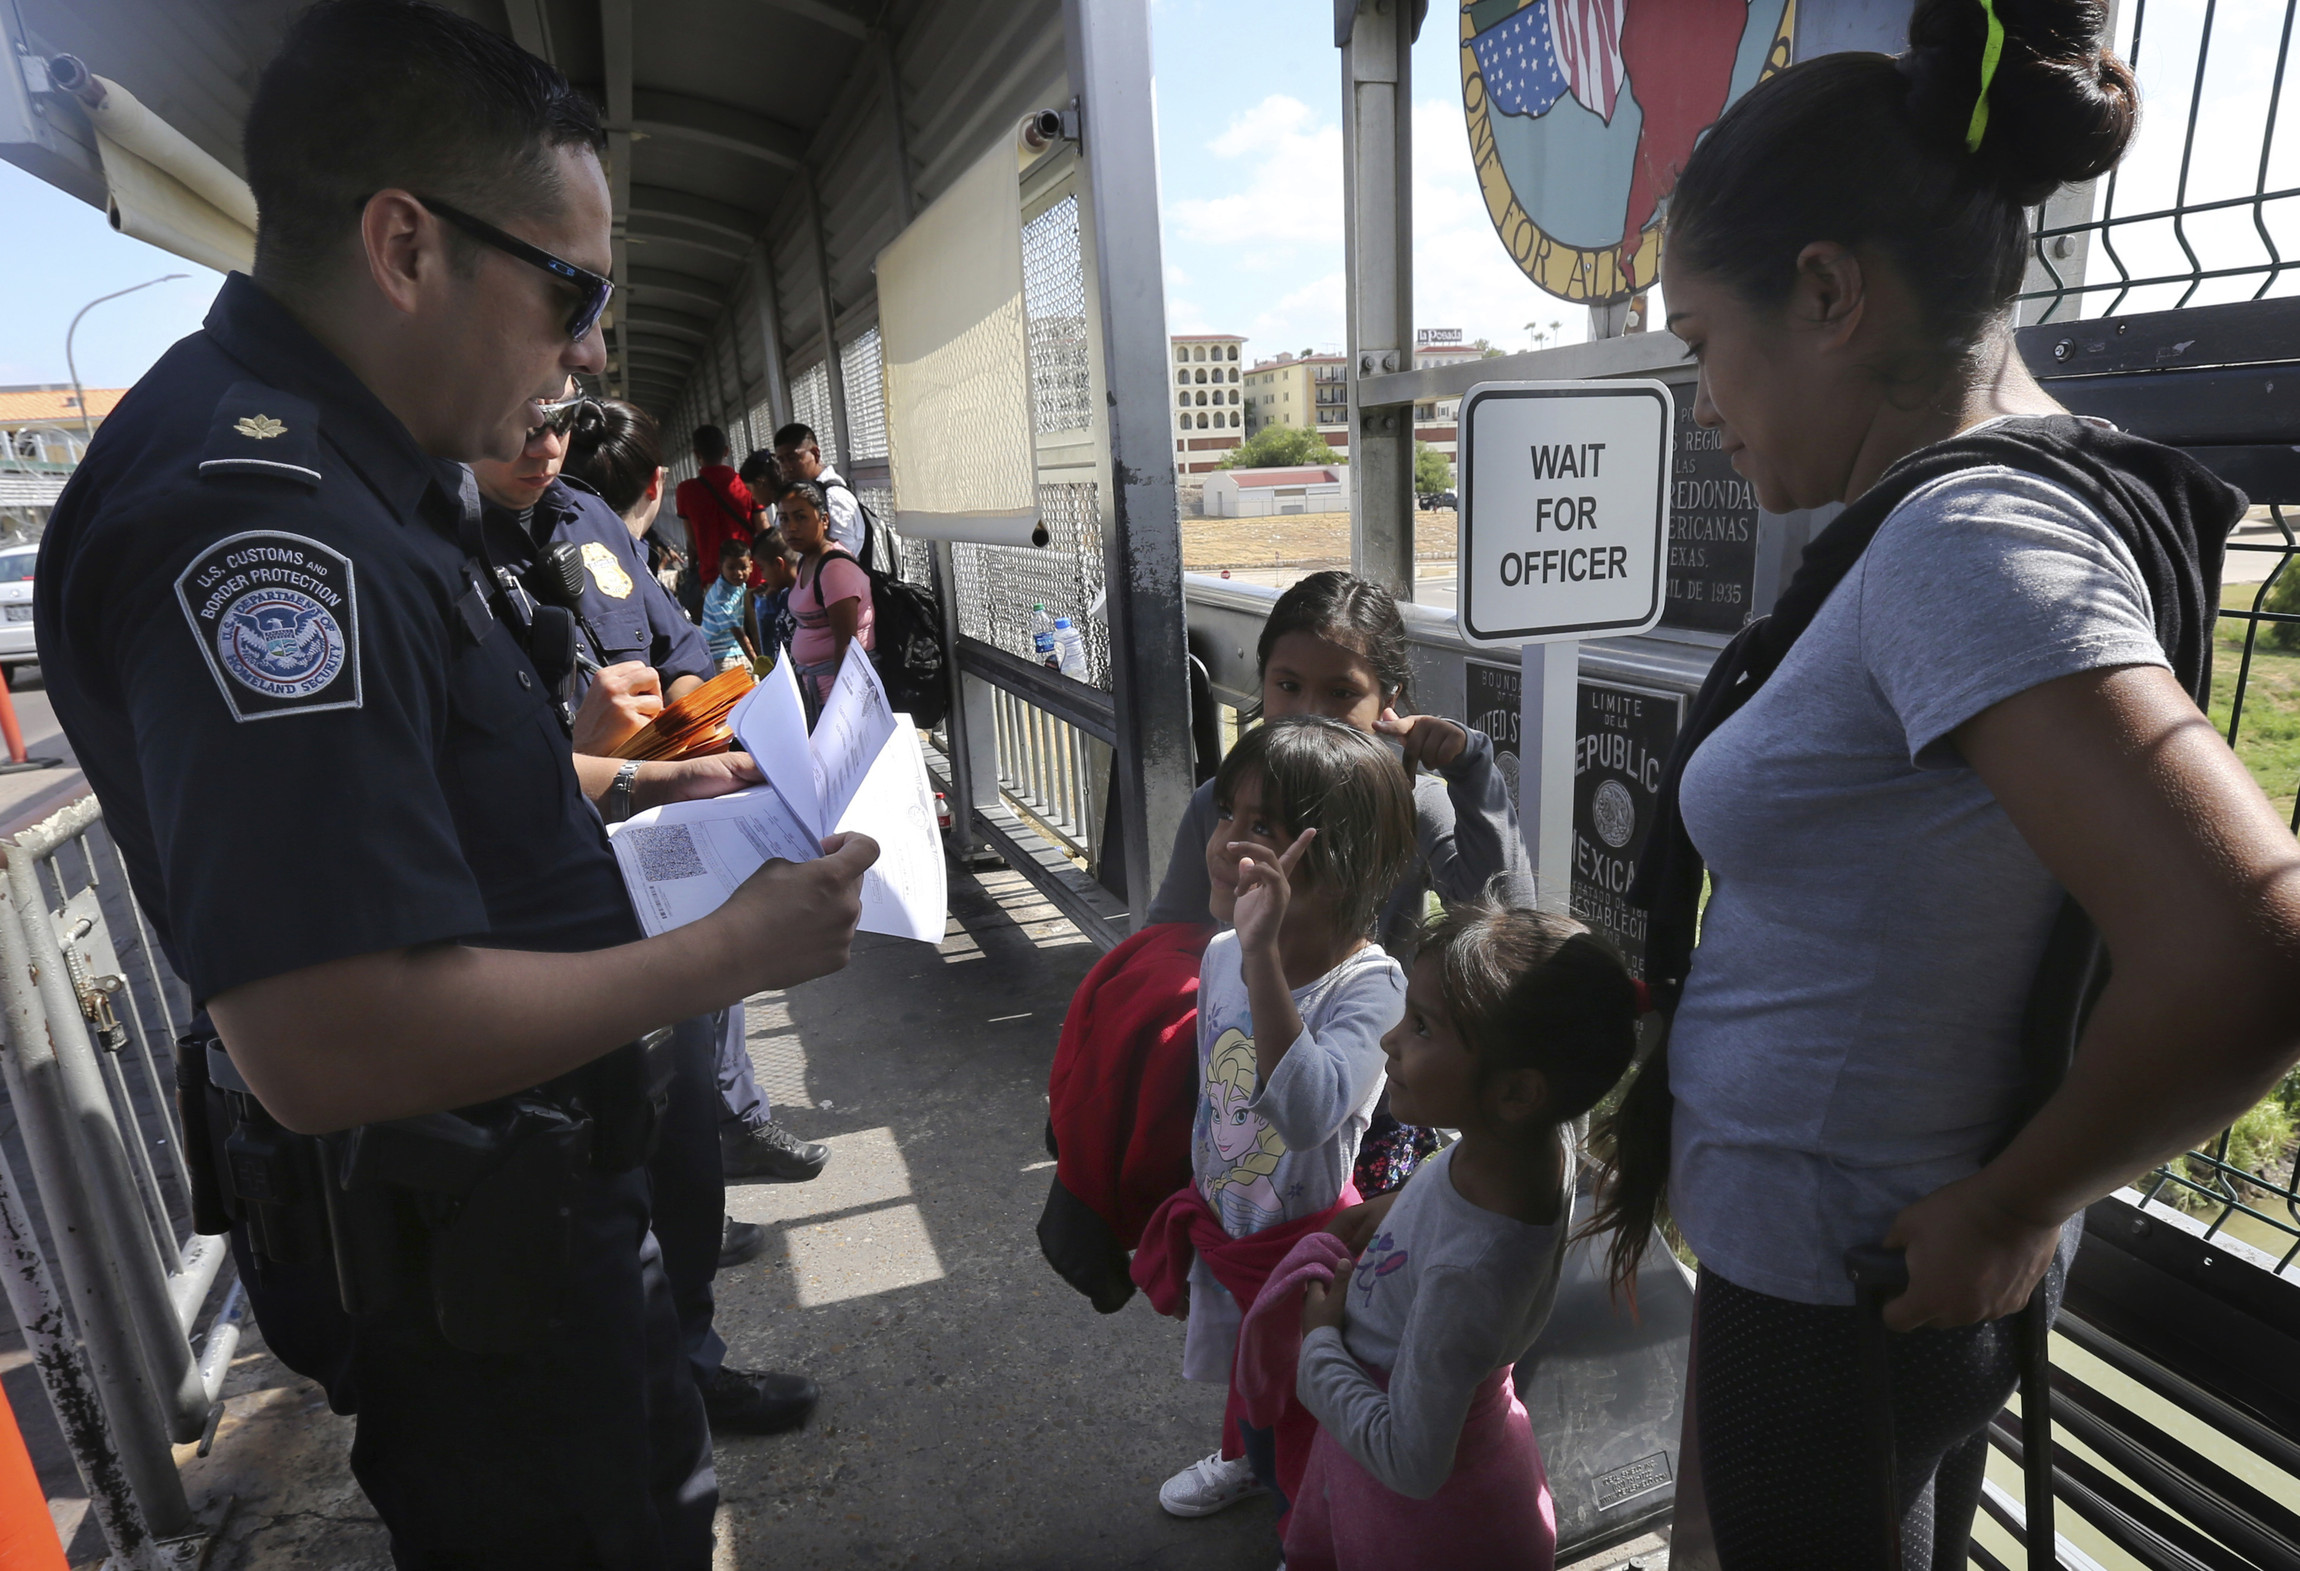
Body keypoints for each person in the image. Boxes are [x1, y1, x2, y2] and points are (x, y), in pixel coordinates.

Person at [34, 5, 878, 1563]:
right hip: (476, 1262)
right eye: (573, 290)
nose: (596, 348)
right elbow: (329, 1031)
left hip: (532, 1214)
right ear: (407, 246)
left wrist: (631, 792)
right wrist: (736, 953)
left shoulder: (351, 470)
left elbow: (418, 781)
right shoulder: (259, 530)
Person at [1588, 2, 2300, 1564]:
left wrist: (2009, 1207)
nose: (1703, 400)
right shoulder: (1964, 515)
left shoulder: (1968, 547)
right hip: (1837, 1262)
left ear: (1829, 292)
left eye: (1704, 340)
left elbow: (2251, 943)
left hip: (1855, 1283)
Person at [1269, 902, 1637, 1570]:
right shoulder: (1533, 1140)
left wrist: (1318, 1344)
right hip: (1460, 1470)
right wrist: (1407, 1201)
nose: (1391, 1041)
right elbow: (1466, 1196)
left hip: (1415, 1525)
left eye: (1421, 1025)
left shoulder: (1472, 1273)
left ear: (1517, 1092)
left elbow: (1409, 1459)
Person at [1148, 570, 1533, 1207]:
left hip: (1377, 1099)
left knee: (1347, 1284)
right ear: (1260, 681)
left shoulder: (1411, 806)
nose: (1308, 714)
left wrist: (1472, 774)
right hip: (1240, 1099)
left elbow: (1505, 917)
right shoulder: (1223, 807)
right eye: (1288, 685)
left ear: (1389, 702)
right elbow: (1169, 938)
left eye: (1340, 693)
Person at [1126, 717, 1415, 1524]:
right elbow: (1221, 1093)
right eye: (1229, 815)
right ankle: (1243, 1457)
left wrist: (1260, 958)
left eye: (1261, 828)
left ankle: (1306, 1524)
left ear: (1339, 861)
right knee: (1246, 1367)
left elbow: (1309, 1108)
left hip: (1303, 1245)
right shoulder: (1221, 952)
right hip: (1231, 1223)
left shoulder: (1371, 988)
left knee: (1300, 1400)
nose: (1224, 842)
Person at [471, 395, 712, 713]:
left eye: (563, 419)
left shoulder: (592, 516)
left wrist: (676, 728)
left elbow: (684, 657)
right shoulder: (439, 547)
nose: (550, 448)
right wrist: (594, 756)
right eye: (522, 421)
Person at [781, 478, 874, 704]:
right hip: (817, 694)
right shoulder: (806, 561)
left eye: (801, 517)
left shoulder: (835, 570)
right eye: (784, 519)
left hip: (839, 698)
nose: (791, 527)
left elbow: (846, 646)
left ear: (824, 520)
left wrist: (842, 708)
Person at [673, 422, 754, 590]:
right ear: (726, 451)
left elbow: (693, 540)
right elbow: (762, 527)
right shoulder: (746, 484)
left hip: (714, 578)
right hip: (749, 574)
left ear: (696, 453)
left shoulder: (686, 490)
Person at [772, 421, 866, 556]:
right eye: (781, 460)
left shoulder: (834, 497)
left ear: (815, 454)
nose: (787, 468)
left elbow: (842, 557)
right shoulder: (799, 494)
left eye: (793, 458)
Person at [701, 537, 759, 669]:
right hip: (720, 656)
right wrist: (756, 662)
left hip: (737, 650)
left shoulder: (740, 586)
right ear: (720, 567)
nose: (738, 573)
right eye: (731, 568)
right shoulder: (720, 597)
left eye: (743, 567)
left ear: (751, 567)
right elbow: (738, 633)